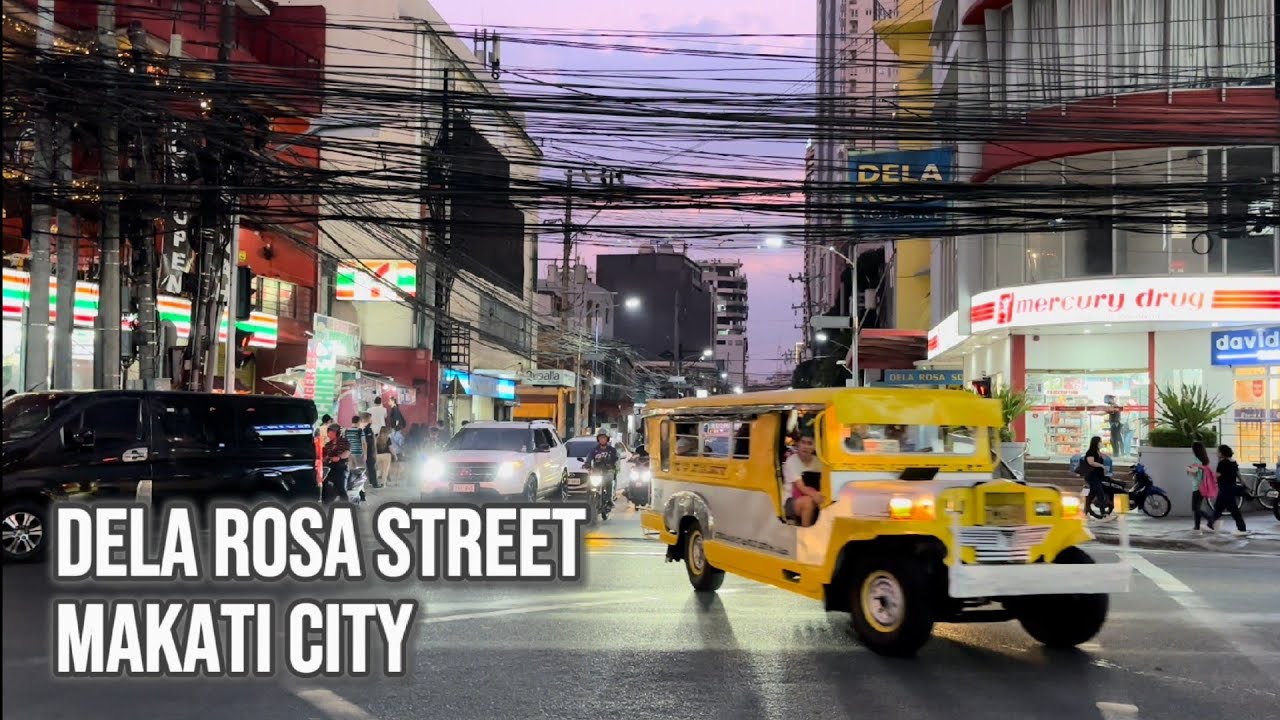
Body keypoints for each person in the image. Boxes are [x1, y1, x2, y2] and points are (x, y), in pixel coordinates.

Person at [1205, 445, 1248, 535]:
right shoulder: (1233, 462)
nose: (1217, 453)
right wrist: (1244, 484)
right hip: (1231, 487)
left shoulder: (1222, 463)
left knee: (1232, 509)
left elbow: (1217, 476)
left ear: (1221, 453)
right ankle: (1210, 525)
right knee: (1218, 508)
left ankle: (1242, 529)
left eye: (1218, 452)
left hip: (1225, 489)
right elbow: (1238, 474)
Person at [784, 434, 824, 526]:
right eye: (803, 442)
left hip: (815, 495)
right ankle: (806, 535)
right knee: (808, 502)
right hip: (792, 500)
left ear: (814, 447)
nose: (805, 446)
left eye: (809, 443)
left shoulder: (818, 462)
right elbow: (801, 487)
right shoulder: (792, 461)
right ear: (798, 444)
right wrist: (816, 496)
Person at [1186, 441, 1215, 531]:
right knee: (1197, 507)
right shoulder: (1204, 460)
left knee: (1195, 508)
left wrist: (1188, 469)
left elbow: (1195, 474)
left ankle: (1210, 519)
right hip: (1203, 486)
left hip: (1197, 486)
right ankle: (1197, 526)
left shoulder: (1196, 460)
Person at [584, 432, 620, 501]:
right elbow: (589, 457)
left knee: (609, 481)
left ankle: (610, 498)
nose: (602, 440)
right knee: (589, 482)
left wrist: (612, 464)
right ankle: (589, 497)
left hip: (608, 471)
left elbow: (615, 459)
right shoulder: (594, 449)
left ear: (607, 439)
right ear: (598, 439)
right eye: (601, 438)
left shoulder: (611, 450)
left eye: (604, 438)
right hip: (597, 472)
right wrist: (587, 463)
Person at [321, 424, 352, 503]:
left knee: (341, 487)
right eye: (328, 432)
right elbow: (323, 455)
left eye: (332, 432)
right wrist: (323, 459)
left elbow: (347, 452)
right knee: (323, 486)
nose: (329, 434)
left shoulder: (345, 442)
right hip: (329, 469)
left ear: (338, 433)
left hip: (341, 468)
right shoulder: (328, 445)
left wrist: (340, 457)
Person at [1082, 436, 1109, 516]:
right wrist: (1102, 466)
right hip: (1092, 476)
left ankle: (1086, 510)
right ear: (1096, 443)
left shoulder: (1097, 452)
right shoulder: (1090, 452)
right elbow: (1091, 462)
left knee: (1092, 494)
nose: (1101, 443)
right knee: (1100, 493)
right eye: (1100, 442)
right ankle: (1103, 513)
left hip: (1097, 476)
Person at [360, 412, 379, 488]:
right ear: (367, 419)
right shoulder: (365, 429)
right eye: (370, 418)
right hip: (368, 451)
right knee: (371, 467)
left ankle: (372, 481)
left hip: (370, 451)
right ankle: (374, 483)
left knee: (370, 467)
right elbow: (367, 442)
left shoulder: (368, 428)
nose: (372, 420)